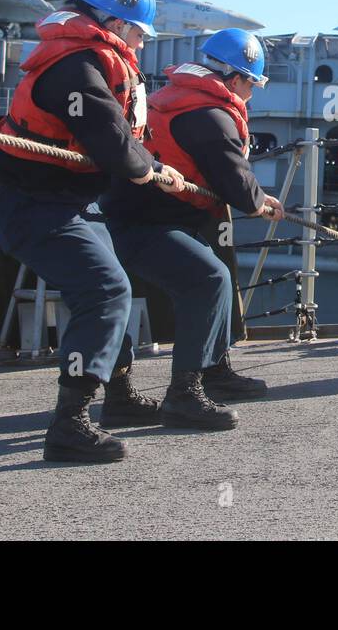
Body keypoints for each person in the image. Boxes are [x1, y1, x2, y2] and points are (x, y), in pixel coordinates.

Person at [0, 0, 184, 462]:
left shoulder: (87, 61)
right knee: (105, 289)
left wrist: (150, 167)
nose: (140, 44)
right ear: (114, 25)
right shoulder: (76, 69)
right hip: (36, 204)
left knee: (109, 286)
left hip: (69, 200)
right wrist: (155, 171)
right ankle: (70, 423)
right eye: (138, 32)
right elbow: (114, 144)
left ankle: (117, 396)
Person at [102, 29, 284, 429]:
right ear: (235, 79)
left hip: (128, 214)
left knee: (207, 269)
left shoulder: (170, 98)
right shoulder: (213, 116)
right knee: (209, 279)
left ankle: (209, 371)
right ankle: (185, 394)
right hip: (148, 220)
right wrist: (260, 203)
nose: (251, 93)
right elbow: (235, 183)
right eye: (252, 83)